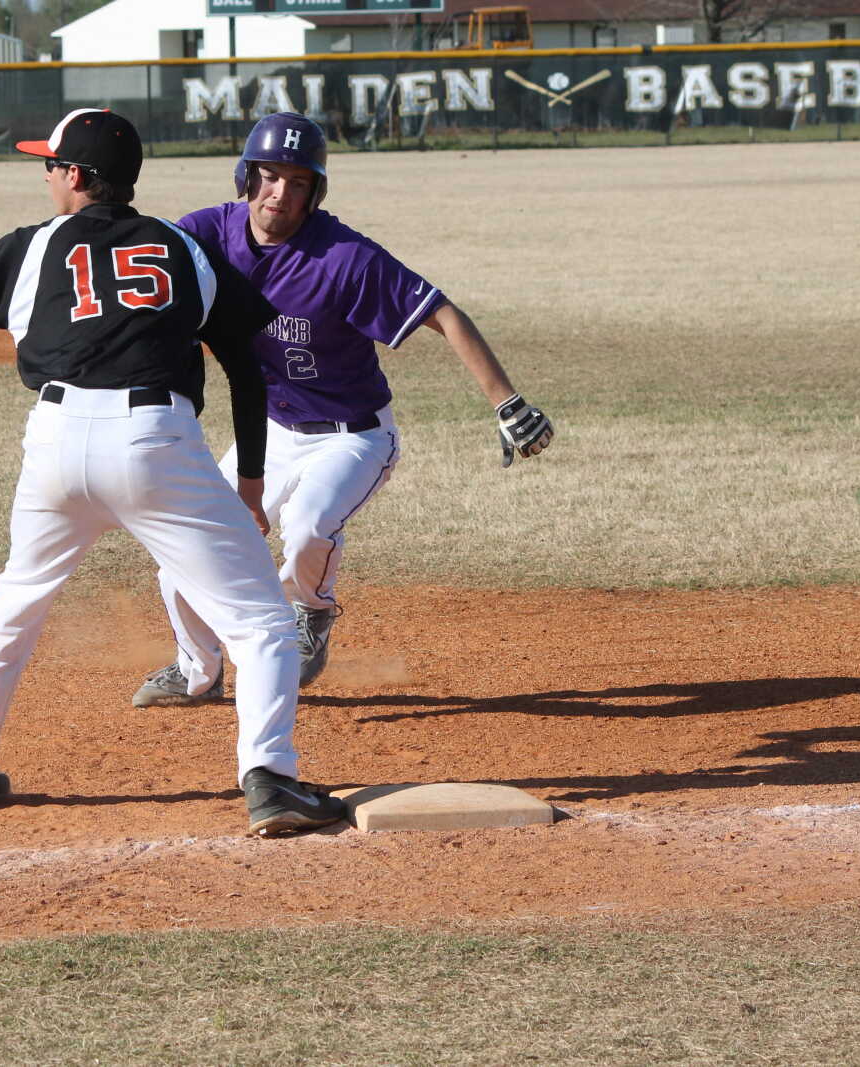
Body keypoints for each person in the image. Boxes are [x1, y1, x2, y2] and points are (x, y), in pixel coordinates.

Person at [0, 108, 348, 836]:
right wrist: (250, 484)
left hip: (55, 441)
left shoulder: (32, 247)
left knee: (15, 604)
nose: (48, 176)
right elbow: (247, 366)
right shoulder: (184, 248)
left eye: (52, 165)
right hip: (155, 441)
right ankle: (272, 779)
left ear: (79, 177)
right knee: (260, 622)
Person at [132, 111, 554, 707]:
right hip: (273, 431)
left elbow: (443, 313)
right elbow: (138, 262)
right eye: (271, 176)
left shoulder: (345, 257)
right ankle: (197, 669)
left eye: (299, 182)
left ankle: (312, 612)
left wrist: (506, 401)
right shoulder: (206, 234)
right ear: (246, 176)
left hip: (354, 437)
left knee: (307, 524)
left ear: (315, 192)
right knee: (185, 549)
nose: (281, 193)